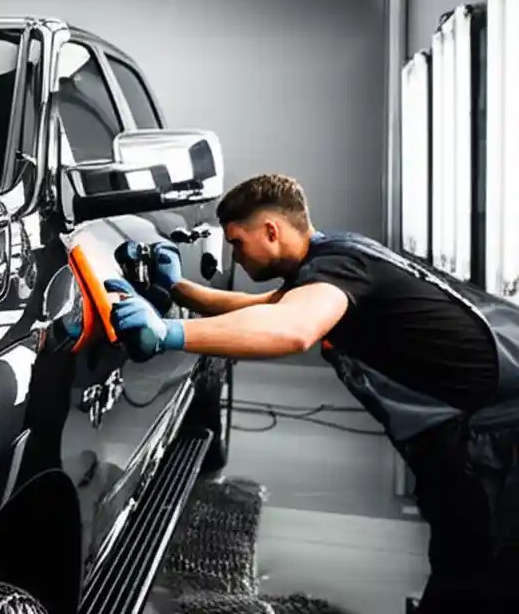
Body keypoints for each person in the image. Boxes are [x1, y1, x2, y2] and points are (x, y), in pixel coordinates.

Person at [106, 173, 519, 613]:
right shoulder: (337, 252)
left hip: (497, 439)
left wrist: (167, 333)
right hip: (481, 422)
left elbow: (291, 328)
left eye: (238, 242)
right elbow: (264, 309)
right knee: (467, 565)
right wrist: (178, 289)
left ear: (271, 231)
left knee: (474, 580)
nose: (235, 256)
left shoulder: (336, 272)